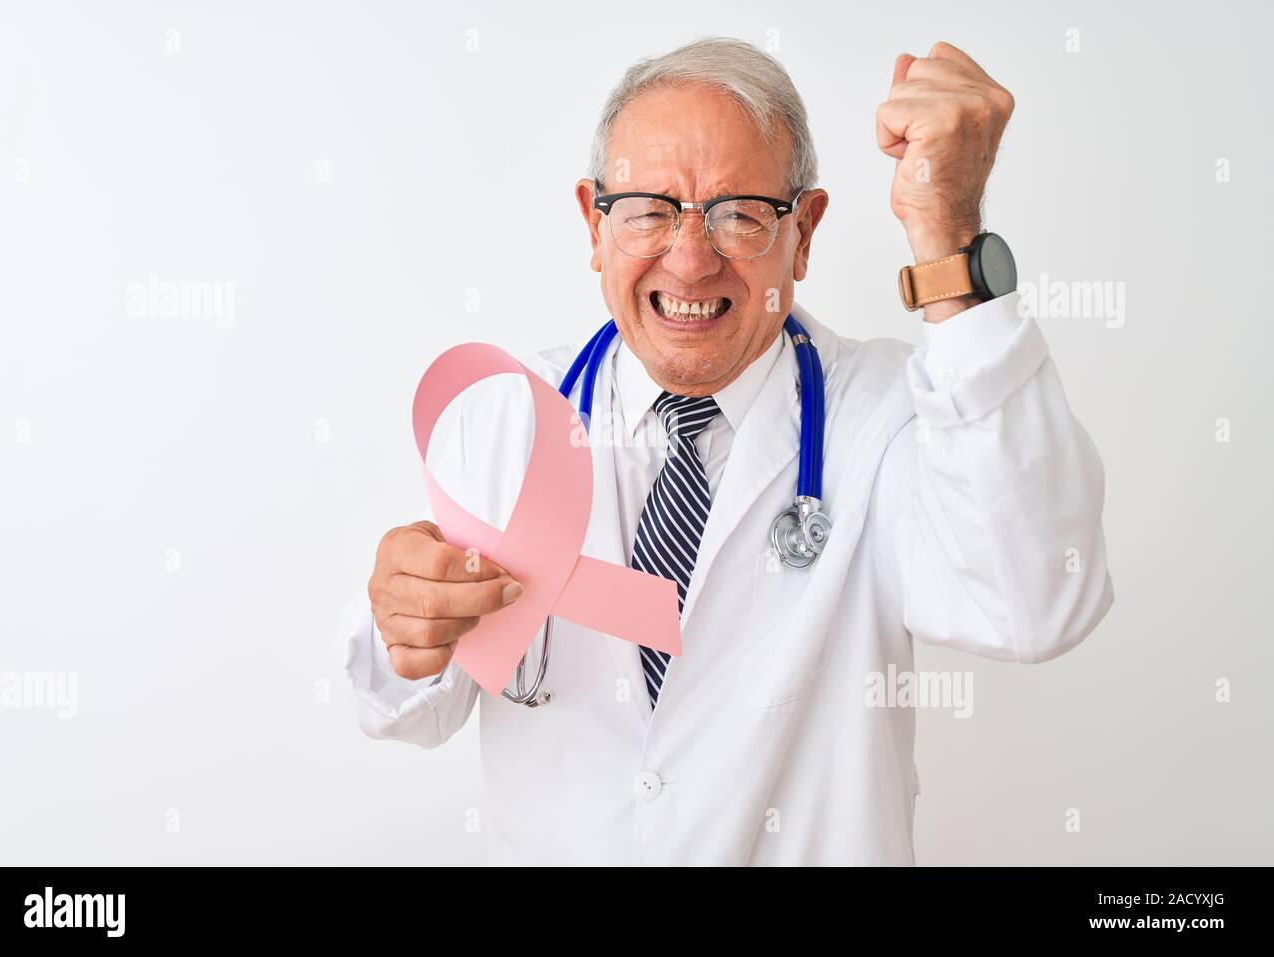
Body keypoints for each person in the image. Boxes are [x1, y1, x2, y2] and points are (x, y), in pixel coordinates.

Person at [338, 37, 1113, 865]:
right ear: (593, 225)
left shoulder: (890, 418)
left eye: (739, 212)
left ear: (805, 233)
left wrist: (947, 233)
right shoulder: (508, 419)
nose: (690, 256)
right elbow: (405, 711)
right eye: (647, 208)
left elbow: (1034, 603)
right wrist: (402, 625)